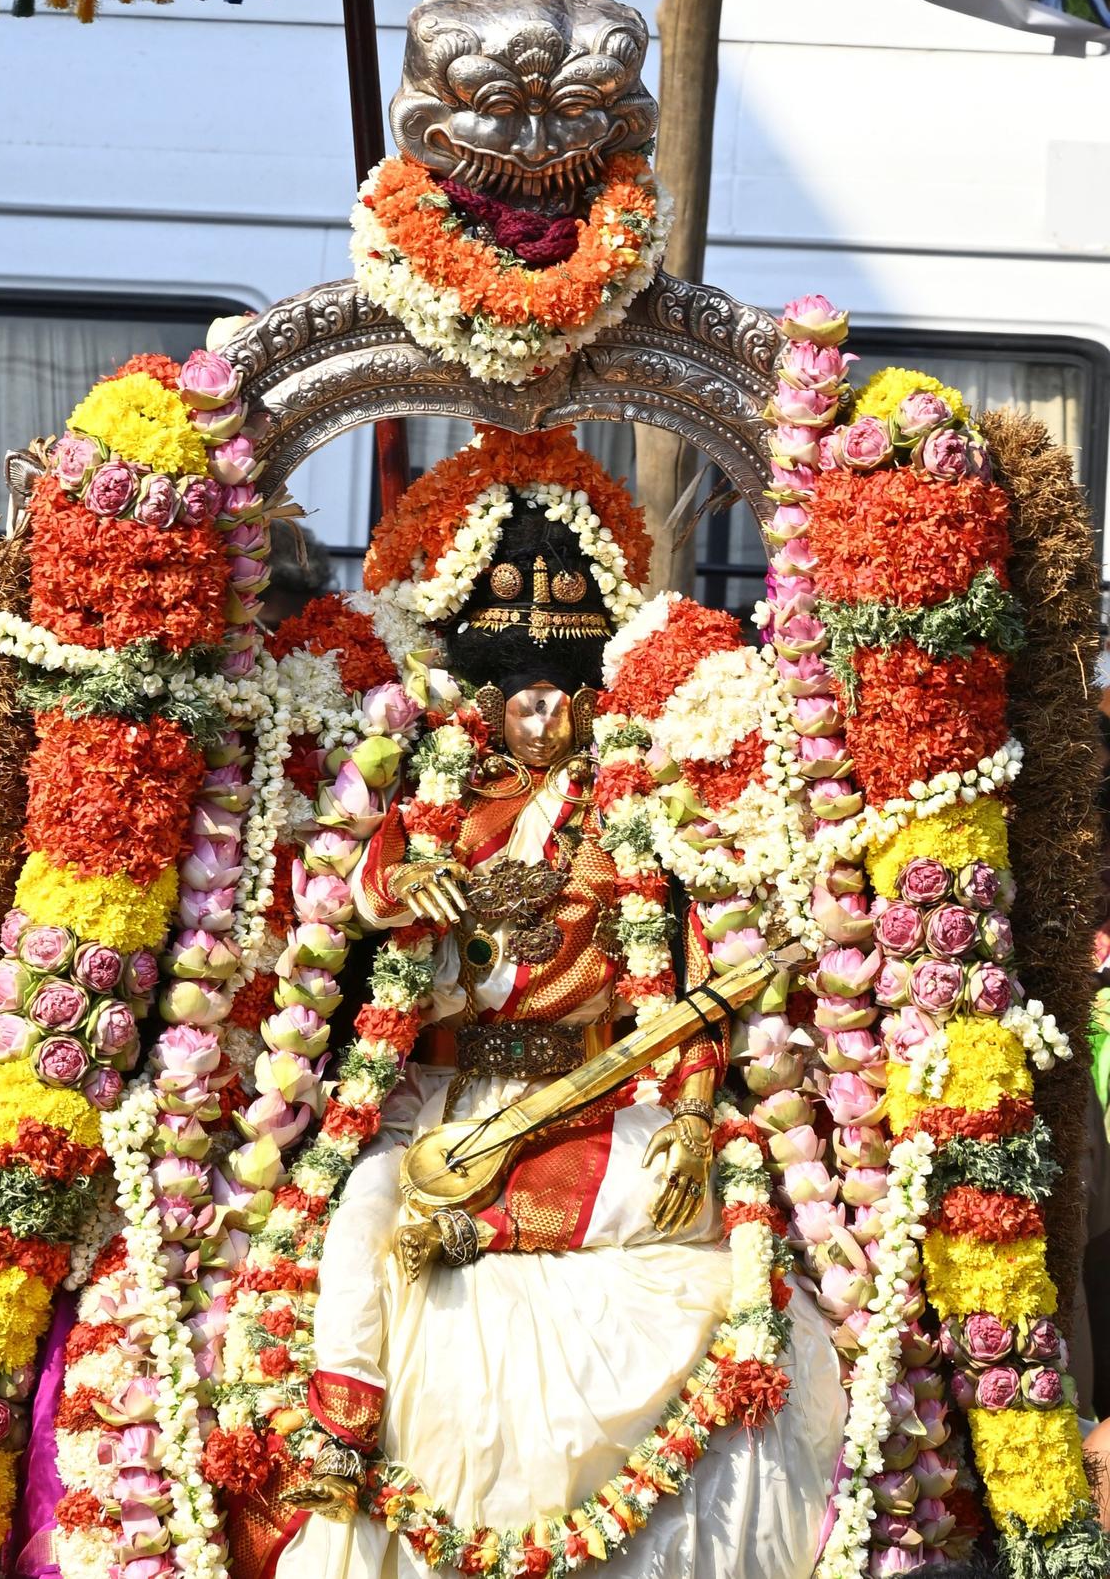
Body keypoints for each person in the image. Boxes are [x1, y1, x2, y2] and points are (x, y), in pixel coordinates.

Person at [258, 440, 847, 1579]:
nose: (540, 719)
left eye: (557, 697)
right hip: (437, 1090)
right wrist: (393, 897)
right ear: (489, 696)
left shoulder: (627, 804)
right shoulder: (440, 791)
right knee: (360, 1218)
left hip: (590, 1094)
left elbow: (682, 975)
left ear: (581, 698)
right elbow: (362, 886)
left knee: (703, 1245)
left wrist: (685, 1116)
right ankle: (338, 1431)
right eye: (520, 697)